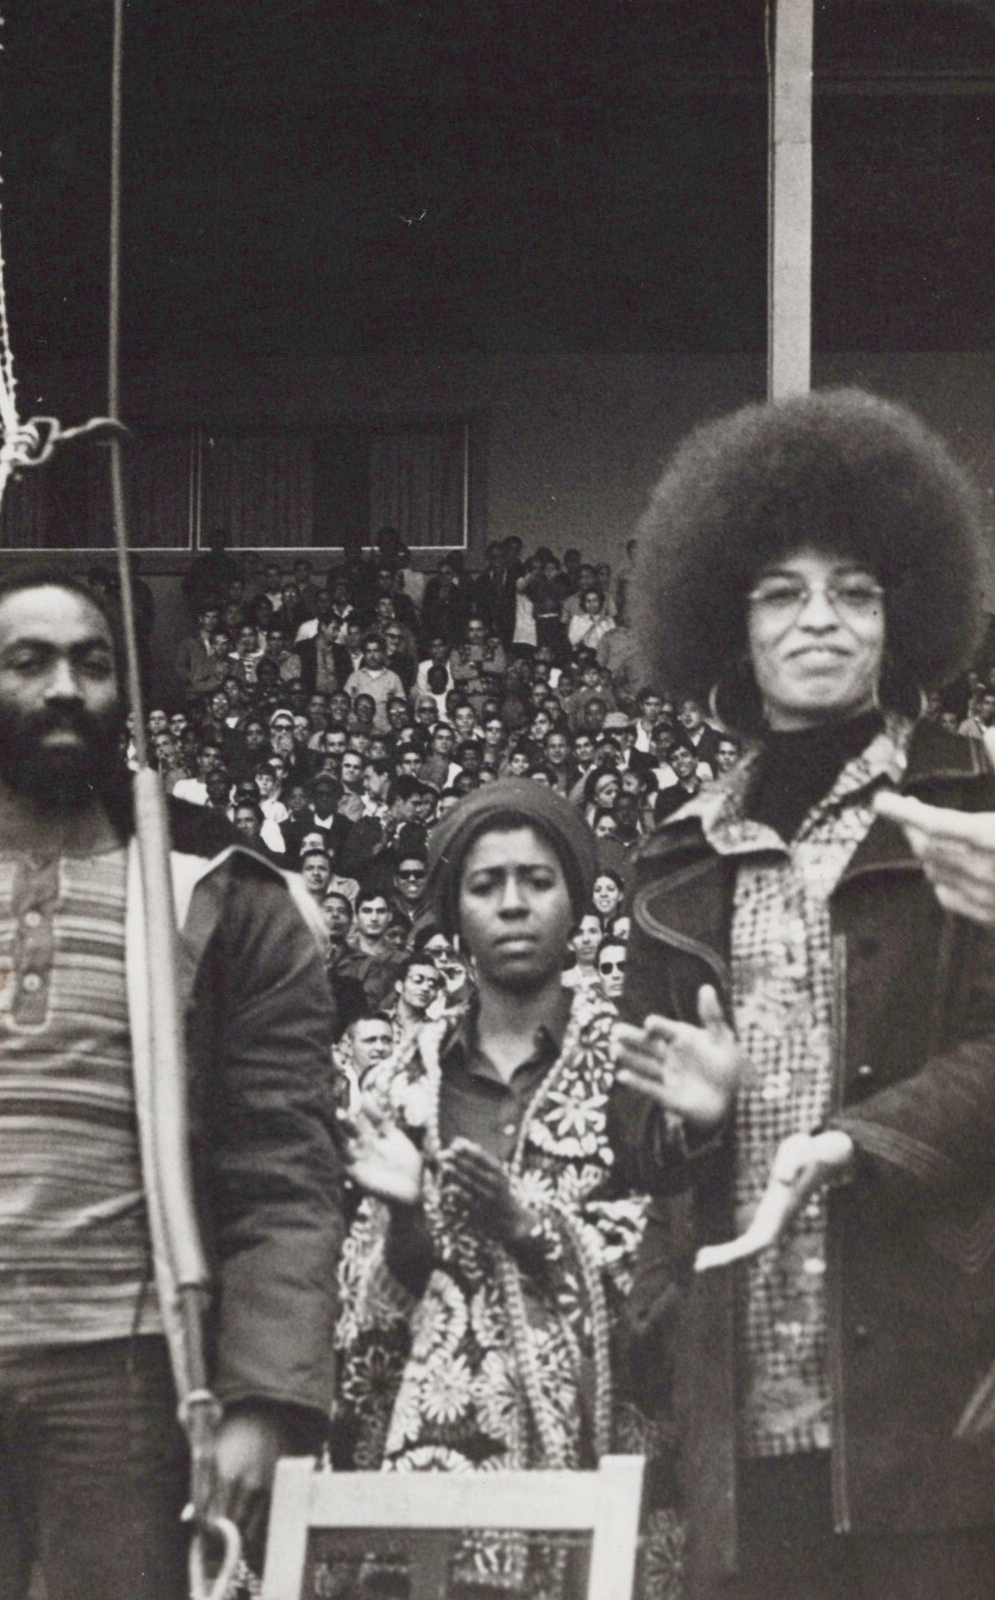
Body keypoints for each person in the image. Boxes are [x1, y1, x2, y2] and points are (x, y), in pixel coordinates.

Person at [607, 390, 995, 1600]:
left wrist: (854, 1141)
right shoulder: (676, 856)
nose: (820, 618)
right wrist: (697, 1110)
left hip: (936, 1386)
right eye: (782, 589)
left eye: (857, 589)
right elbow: (635, 1133)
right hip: (744, 1388)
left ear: (902, 618)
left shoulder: (974, 803)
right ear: (731, 622)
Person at [0, 567, 344, 1600]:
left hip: (124, 1378)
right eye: (30, 661)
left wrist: (262, 1399)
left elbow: (285, 1169)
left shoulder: (223, 902)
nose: (65, 687)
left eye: (93, 664)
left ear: (124, 699)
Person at [333, 781, 682, 1596]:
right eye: (486, 885)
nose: (513, 904)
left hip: (604, 1486)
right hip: (429, 1489)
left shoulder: (635, 1067)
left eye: (538, 880)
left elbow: (671, 1264)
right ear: (454, 913)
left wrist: (529, 1223)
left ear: (575, 904)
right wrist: (406, 1227)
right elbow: (352, 1314)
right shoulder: (396, 1085)